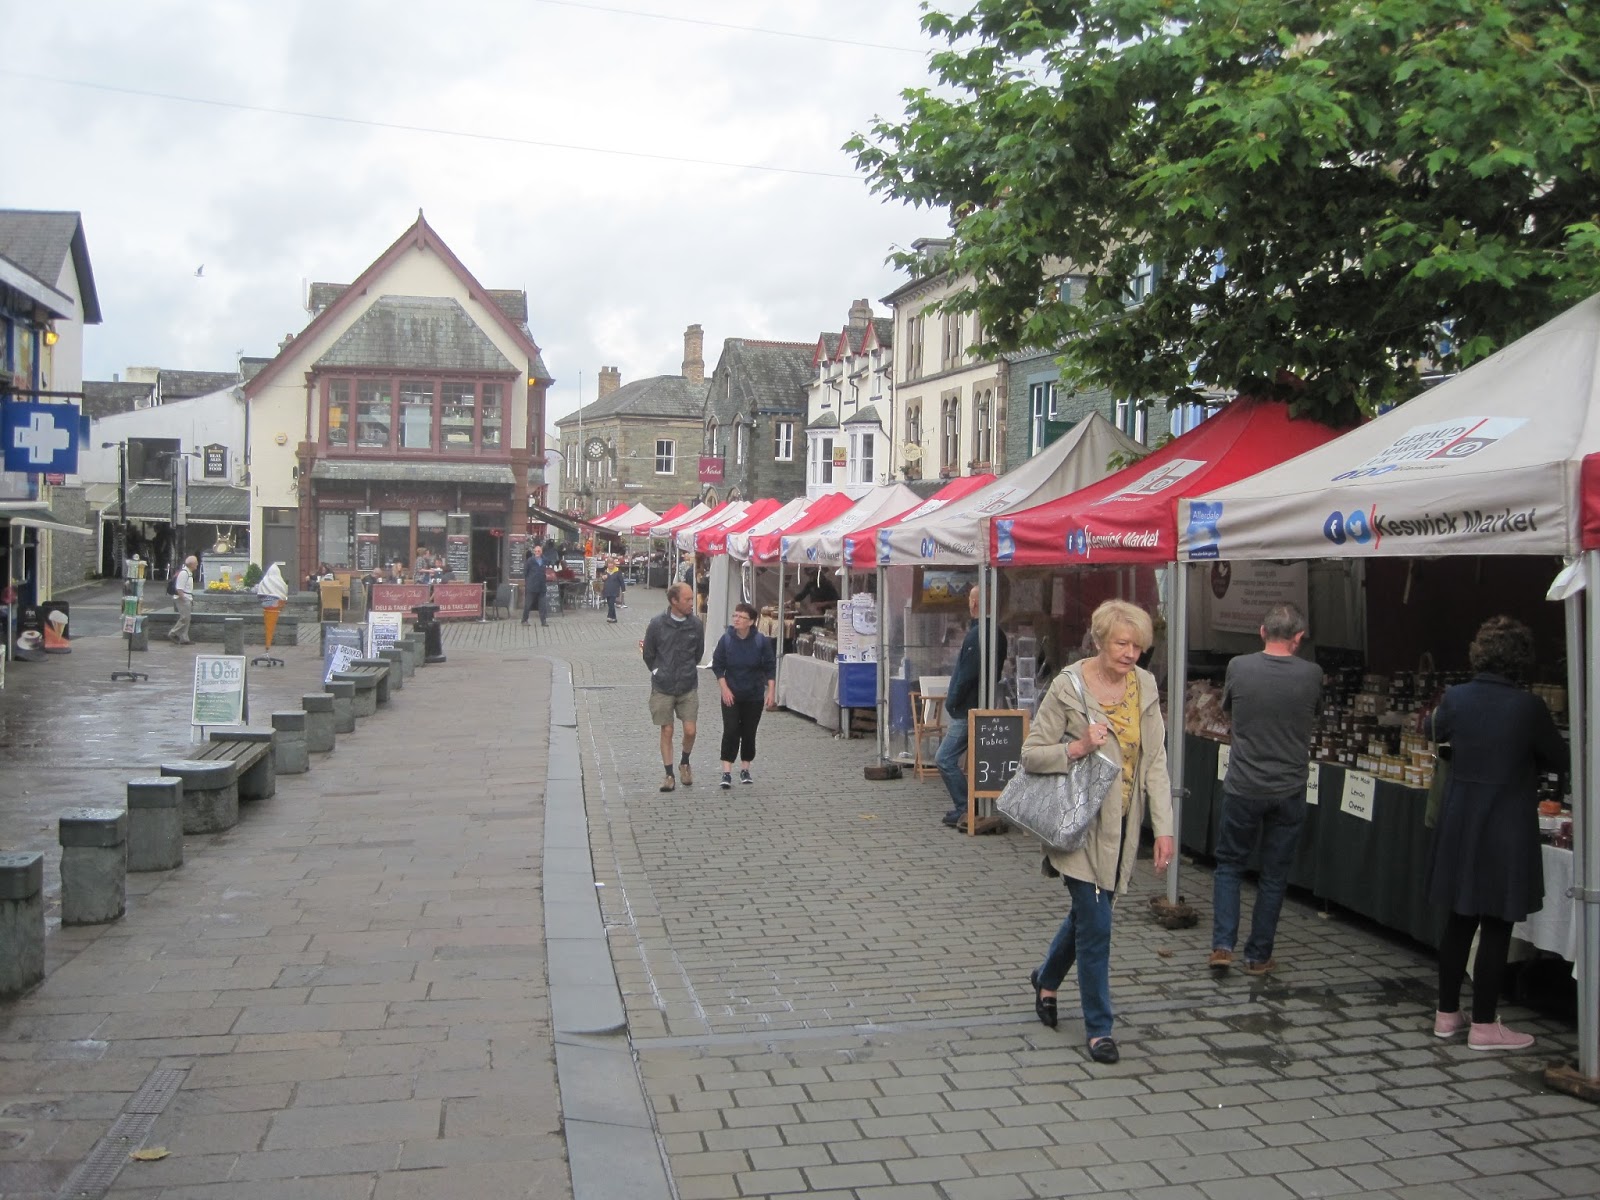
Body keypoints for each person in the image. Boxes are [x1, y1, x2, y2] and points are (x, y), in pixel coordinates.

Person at [1022, 599, 1175, 1066]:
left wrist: (1164, 828)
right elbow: (1031, 754)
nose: (1130, 654)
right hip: (1078, 824)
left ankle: (1047, 978)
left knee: (1090, 917)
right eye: (1122, 644)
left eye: (1138, 646)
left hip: (1122, 827)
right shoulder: (1067, 687)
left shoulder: (1145, 686)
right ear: (1100, 641)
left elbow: (1155, 761)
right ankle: (1099, 1028)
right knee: (1098, 926)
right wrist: (1077, 747)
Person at [1426, 615, 1566, 1051]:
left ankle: (1447, 1014)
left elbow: (1436, 733)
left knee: (1459, 919)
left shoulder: (1455, 697)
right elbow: (1559, 757)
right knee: (1496, 923)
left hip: (1460, 818)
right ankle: (1485, 1025)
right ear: (1521, 658)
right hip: (1505, 821)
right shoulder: (1529, 707)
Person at [1209, 603, 1324, 975]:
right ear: (1298, 638)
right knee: (1273, 876)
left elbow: (1229, 709)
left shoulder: (1239, 667)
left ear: (1261, 632)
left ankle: (1222, 945)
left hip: (1244, 783)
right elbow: (1316, 713)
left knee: (1230, 865)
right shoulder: (1312, 674)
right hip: (1289, 786)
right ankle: (1258, 956)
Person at [937, 584, 1009, 828]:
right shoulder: (995, 632)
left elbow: (967, 675)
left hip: (968, 707)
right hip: (980, 703)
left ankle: (965, 807)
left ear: (975, 603)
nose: (969, 603)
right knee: (960, 757)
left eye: (970, 598)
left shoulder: (979, 634)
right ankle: (967, 806)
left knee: (944, 758)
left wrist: (953, 700)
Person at [642, 582, 704, 793]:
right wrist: (657, 671)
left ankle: (684, 762)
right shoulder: (657, 624)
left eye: (692, 598)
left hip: (687, 684)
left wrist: (687, 669)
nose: (691, 603)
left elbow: (698, 653)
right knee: (667, 729)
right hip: (663, 686)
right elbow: (648, 653)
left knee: (690, 730)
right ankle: (669, 775)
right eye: (687, 599)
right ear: (674, 601)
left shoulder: (696, 625)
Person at [712, 602, 777, 789]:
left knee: (749, 732)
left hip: (754, 695)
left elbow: (770, 667)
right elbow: (717, 665)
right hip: (731, 694)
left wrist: (771, 691)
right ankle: (726, 772)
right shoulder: (726, 640)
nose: (737, 620)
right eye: (735, 616)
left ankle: (745, 768)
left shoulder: (760, 641)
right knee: (731, 730)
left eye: (741, 617)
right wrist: (724, 688)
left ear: (751, 622)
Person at [168, 555, 197, 644]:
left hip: (187, 598)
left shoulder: (188, 572)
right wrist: (183, 599)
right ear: (191, 564)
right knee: (184, 618)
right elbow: (179, 588)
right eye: (196, 563)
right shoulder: (184, 573)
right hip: (183, 599)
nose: (197, 564)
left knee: (187, 619)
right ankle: (173, 633)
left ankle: (184, 638)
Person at [522, 546, 548, 626]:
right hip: (532, 586)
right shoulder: (530, 561)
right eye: (536, 551)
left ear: (541, 552)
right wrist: (528, 582)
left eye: (539, 551)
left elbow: (547, 565)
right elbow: (525, 572)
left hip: (541, 585)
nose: (537, 553)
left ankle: (543, 621)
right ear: (534, 552)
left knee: (542, 605)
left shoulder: (544, 560)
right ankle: (524, 620)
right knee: (528, 604)